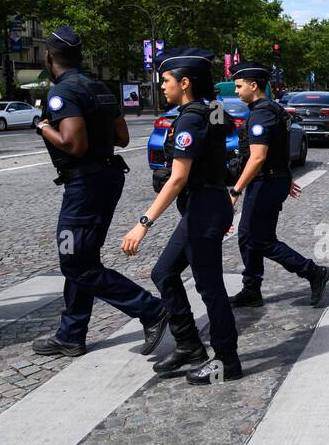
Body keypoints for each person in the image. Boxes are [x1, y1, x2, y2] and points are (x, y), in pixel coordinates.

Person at [29, 26, 168, 358]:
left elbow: (75, 144)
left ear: (49, 57)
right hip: (107, 179)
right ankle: (71, 334)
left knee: (73, 261)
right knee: (83, 256)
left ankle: (150, 309)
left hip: (83, 186)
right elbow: (121, 137)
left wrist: (45, 126)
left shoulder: (62, 92)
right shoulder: (100, 86)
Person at [122, 47, 241, 385]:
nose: (162, 86)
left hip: (203, 209)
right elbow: (225, 142)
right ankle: (189, 345)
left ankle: (228, 360)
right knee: (164, 273)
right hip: (207, 204)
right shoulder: (211, 109)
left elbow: (177, 179)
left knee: (210, 287)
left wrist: (142, 224)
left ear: (184, 83)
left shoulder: (190, 118)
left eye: (166, 80)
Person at [226, 60, 329, 309]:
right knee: (246, 235)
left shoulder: (262, 113)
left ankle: (313, 272)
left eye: (239, 86)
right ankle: (251, 288)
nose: (236, 91)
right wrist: (285, 176)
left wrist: (235, 190)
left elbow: (259, 157)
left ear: (254, 85)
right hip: (272, 179)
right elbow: (281, 149)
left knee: (260, 240)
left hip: (265, 182)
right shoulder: (273, 109)